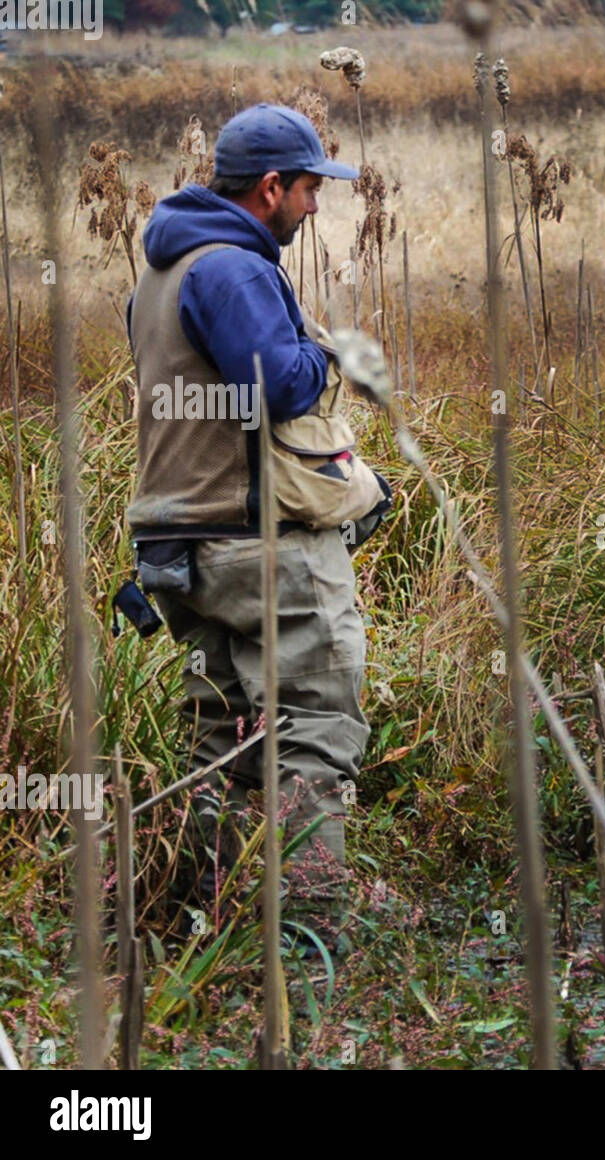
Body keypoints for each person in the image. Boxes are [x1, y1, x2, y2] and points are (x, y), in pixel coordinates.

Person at [125, 104, 379, 953]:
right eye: (308, 189)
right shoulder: (234, 268)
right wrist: (328, 352)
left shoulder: (165, 269)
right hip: (257, 542)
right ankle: (308, 947)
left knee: (226, 741)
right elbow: (277, 387)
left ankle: (218, 927)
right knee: (312, 730)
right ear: (270, 188)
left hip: (181, 548)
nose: (313, 206)